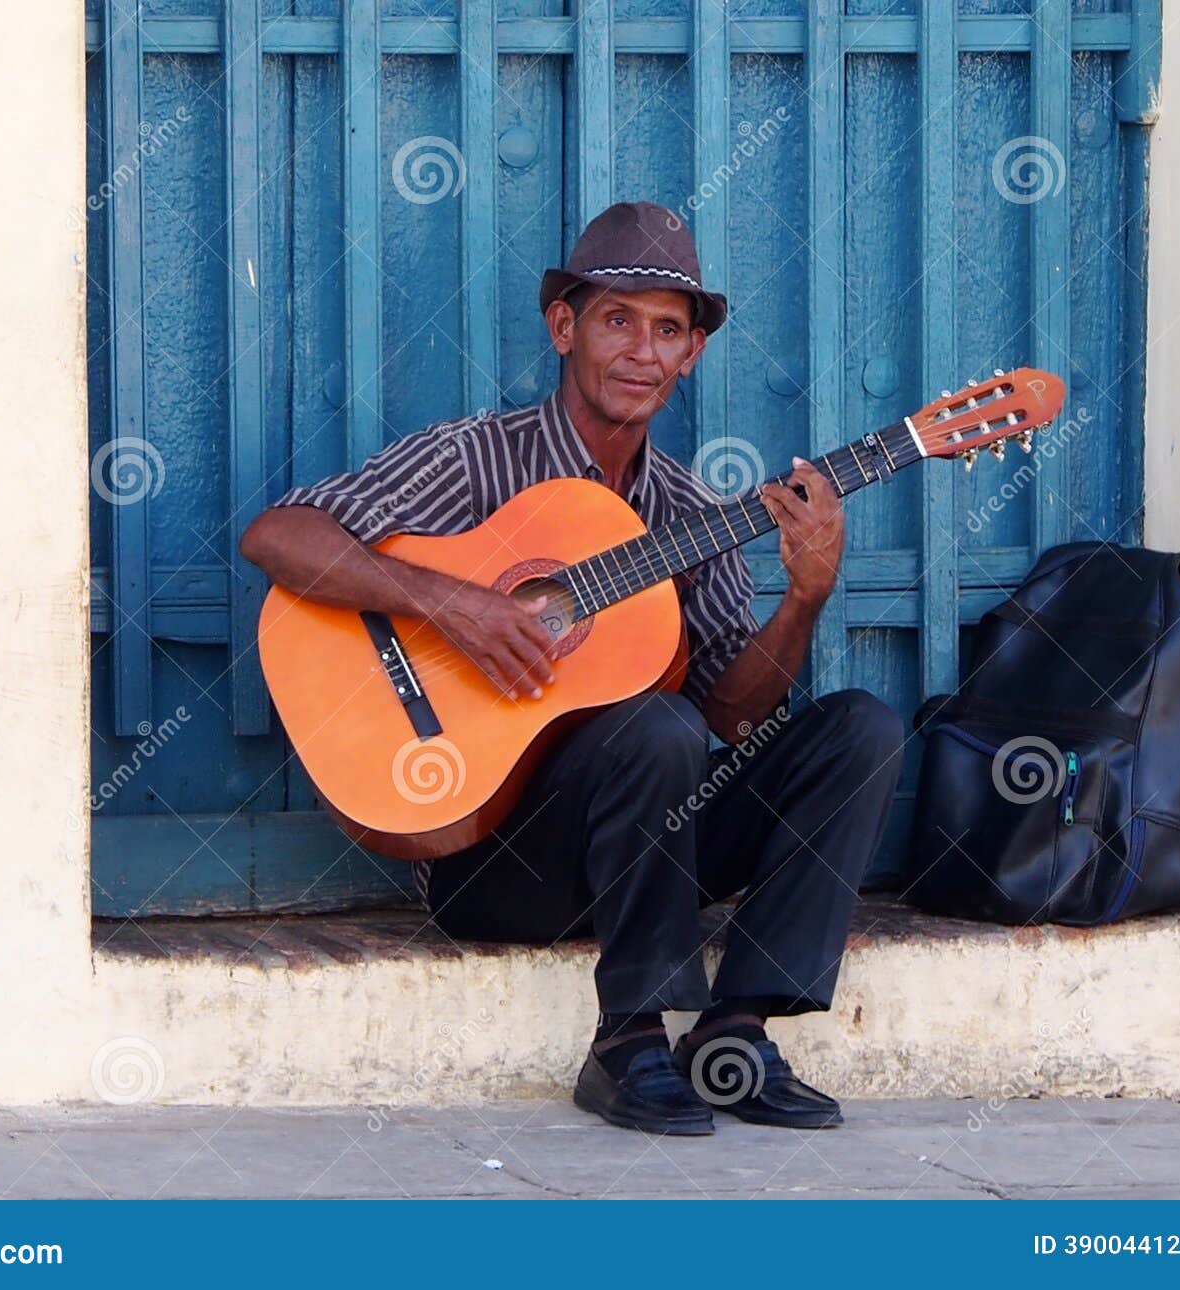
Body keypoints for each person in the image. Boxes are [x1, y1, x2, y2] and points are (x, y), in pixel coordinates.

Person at [240, 201, 904, 1135]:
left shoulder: (691, 516)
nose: (642, 350)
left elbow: (734, 714)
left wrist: (804, 597)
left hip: (652, 845)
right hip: (496, 860)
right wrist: (455, 604)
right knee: (655, 725)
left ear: (691, 357)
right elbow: (278, 536)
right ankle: (627, 1043)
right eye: (617, 319)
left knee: (861, 729)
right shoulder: (478, 459)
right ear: (564, 328)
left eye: (668, 329)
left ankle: (736, 1034)